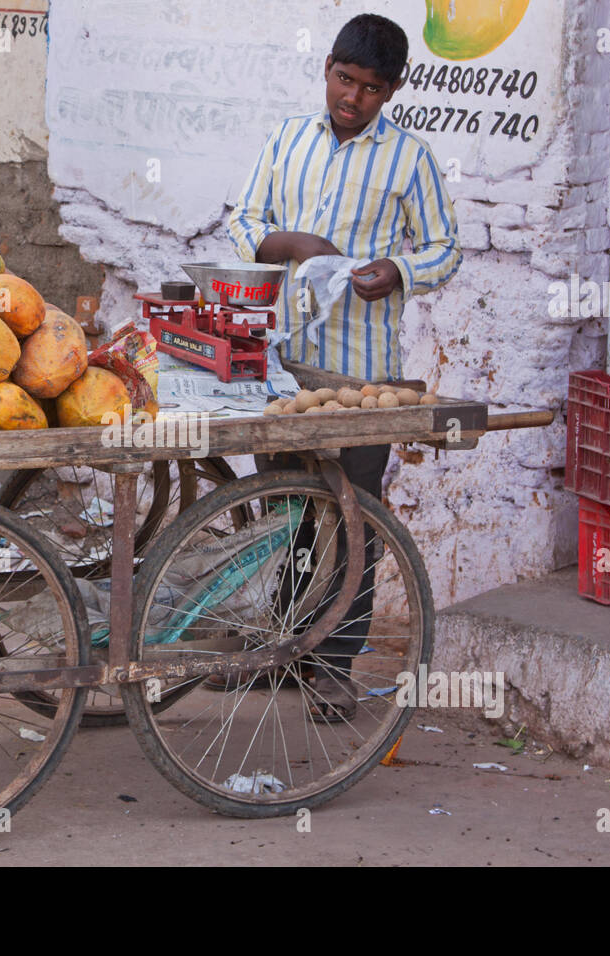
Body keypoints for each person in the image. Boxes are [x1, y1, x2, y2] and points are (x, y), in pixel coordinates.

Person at [225, 13, 462, 721]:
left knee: (354, 517)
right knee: (290, 514)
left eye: (369, 88)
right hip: (284, 367)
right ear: (327, 68)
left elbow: (445, 248)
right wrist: (290, 242)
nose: (351, 98)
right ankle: (282, 647)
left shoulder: (410, 160)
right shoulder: (287, 140)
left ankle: (334, 662)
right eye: (343, 79)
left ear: (394, 90)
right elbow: (241, 223)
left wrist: (399, 269)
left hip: (363, 377)